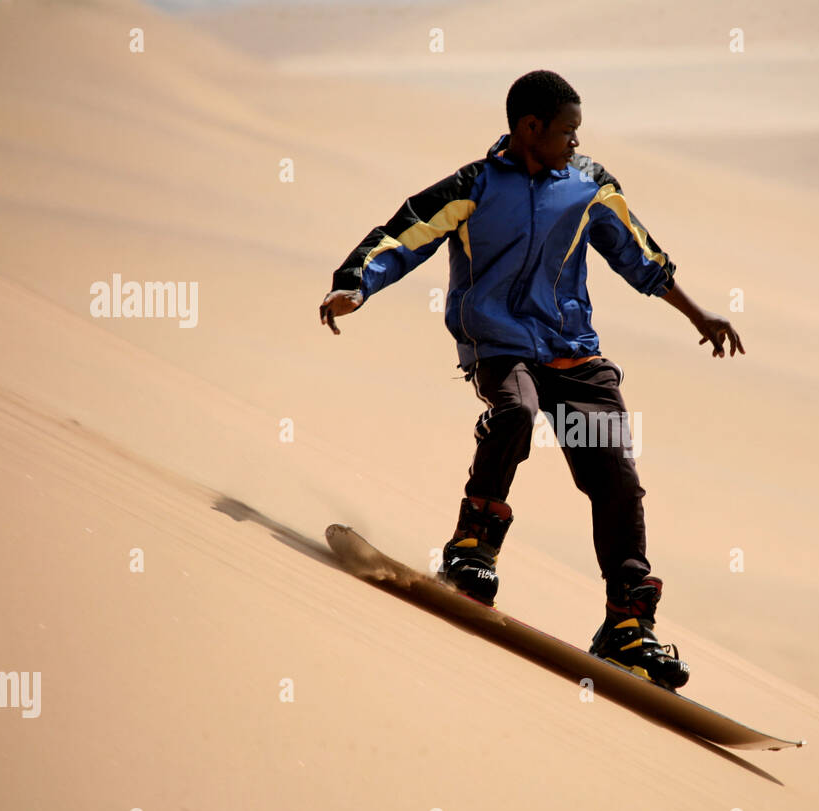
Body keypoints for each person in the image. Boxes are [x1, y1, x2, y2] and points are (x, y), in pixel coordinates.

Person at [319, 70, 744, 690]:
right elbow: (404, 234)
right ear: (530, 128)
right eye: (568, 130)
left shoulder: (590, 187)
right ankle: (472, 549)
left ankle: (626, 628)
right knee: (514, 413)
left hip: (574, 356)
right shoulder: (476, 185)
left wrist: (699, 313)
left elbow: (639, 254)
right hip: (500, 345)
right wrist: (357, 283)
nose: (577, 141)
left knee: (616, 476)